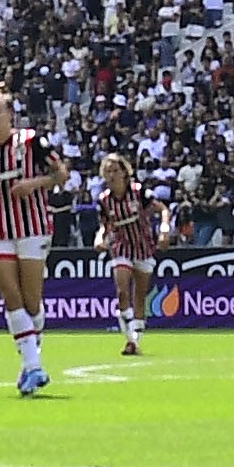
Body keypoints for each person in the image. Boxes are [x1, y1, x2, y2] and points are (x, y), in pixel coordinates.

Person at [0, 87, 58, 397]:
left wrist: (33, 183)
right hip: (1, 229)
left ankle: (31, 358)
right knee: (9, 294)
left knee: (31, 302)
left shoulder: (32, 142)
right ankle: (34, 367)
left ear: (10, 115)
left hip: (34, 227)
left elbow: (61, 174)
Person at [97, 147, 165, 358]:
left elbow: (163, 209)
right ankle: (129, 340)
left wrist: (164, 230)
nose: (112, 175)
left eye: (115, 170)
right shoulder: (104, 199)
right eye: (108, 171)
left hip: (143, 247)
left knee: (140, 296)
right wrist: (99, 238)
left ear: (124, 172)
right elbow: (105, 225)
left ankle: (136, 338)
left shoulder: (139, 192)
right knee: (121, 291)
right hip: (121, 245)